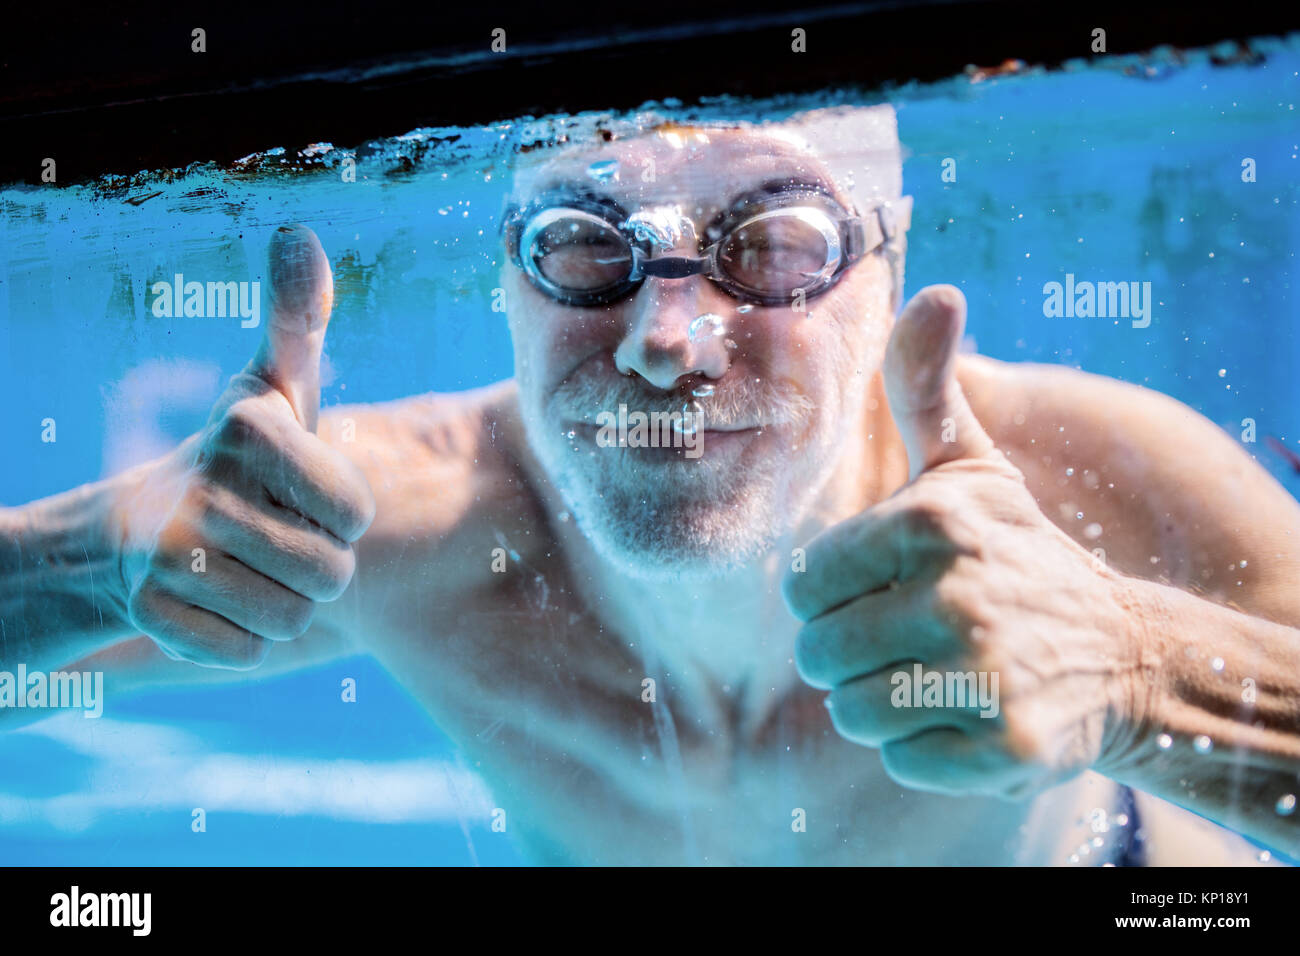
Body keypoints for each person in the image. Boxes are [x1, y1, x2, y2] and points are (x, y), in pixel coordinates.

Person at [3, 104, 1297, 865]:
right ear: (507, 285)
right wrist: (83, 561)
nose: (666, 338)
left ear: (890, 268)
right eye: (581, 242)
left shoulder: (1097, 481)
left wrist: (1133, 673)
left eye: (776, 245)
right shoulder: (389, 522)